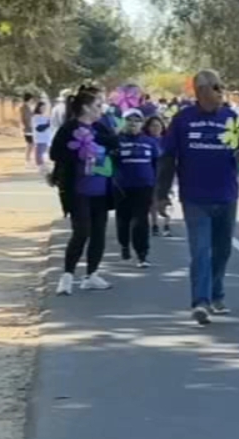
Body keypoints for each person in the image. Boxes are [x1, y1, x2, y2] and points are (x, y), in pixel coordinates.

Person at [154, 69, 239, 325]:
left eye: (221, 87)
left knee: (222, 250)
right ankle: (201, 302)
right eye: (217, 87)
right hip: (195, 197)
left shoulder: (232, 118)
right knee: (201, 251)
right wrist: (161, 194)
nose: (221, 92)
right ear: (201, 91)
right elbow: (167, 158)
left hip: (226, 194)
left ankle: (217, 293)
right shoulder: (182, 120)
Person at [49, 89, 120, 295]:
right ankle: (67, 276)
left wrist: (101, 148)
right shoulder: (69, 128)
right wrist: (79, 153)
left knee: (99, 233)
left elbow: (114, 144)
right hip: (78, 189)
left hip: (101, 188)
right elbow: (55, 153)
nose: (101, 110)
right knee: (81, 232)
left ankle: (92, 275)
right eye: (97, 105)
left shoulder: (100, 127)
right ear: (86, 107)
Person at [114, 108, 160, 268]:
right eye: (129, 120)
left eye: (137, 121)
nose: (133, 123)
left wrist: (156, 184)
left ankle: (142, 255)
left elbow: (156, 163)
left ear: (141, 124)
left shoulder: (149, 142)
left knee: (140, 221)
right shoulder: (116, 141)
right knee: (123, 219)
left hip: (144, 187)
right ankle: (124, 245)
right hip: (122, 187)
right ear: (124, 122)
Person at [141, 114, 174, 238]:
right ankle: (154, 224)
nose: (155, 128)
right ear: (148, 127)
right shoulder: (145, 141)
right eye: (153, 126)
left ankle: (166, 224)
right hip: (151, 173)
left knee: (166, 200)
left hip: (166, 174)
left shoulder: (167, 141)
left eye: (158, 125)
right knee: (153, 201)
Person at [32, 101, 54, 170]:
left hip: (46, 138)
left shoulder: (44, 116)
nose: (44, 109)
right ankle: (40, 165)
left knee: (43, 151)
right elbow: (38, 128)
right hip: (40, 138)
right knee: (39, 152)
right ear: (38, 108)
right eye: (42, 107)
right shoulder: (36, 117)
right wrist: (48, 124)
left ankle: (42, 164)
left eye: (45, 108)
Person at [20, 93, 37, 167]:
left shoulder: (28, 106)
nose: (32, 100)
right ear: (29, 99)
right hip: (28, 129)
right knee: (30, 144)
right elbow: (25, 119)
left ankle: (29, 160)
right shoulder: (24, 107)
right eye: (32, 99)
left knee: (31, 144)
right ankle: (27, 160)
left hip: (31, 129)